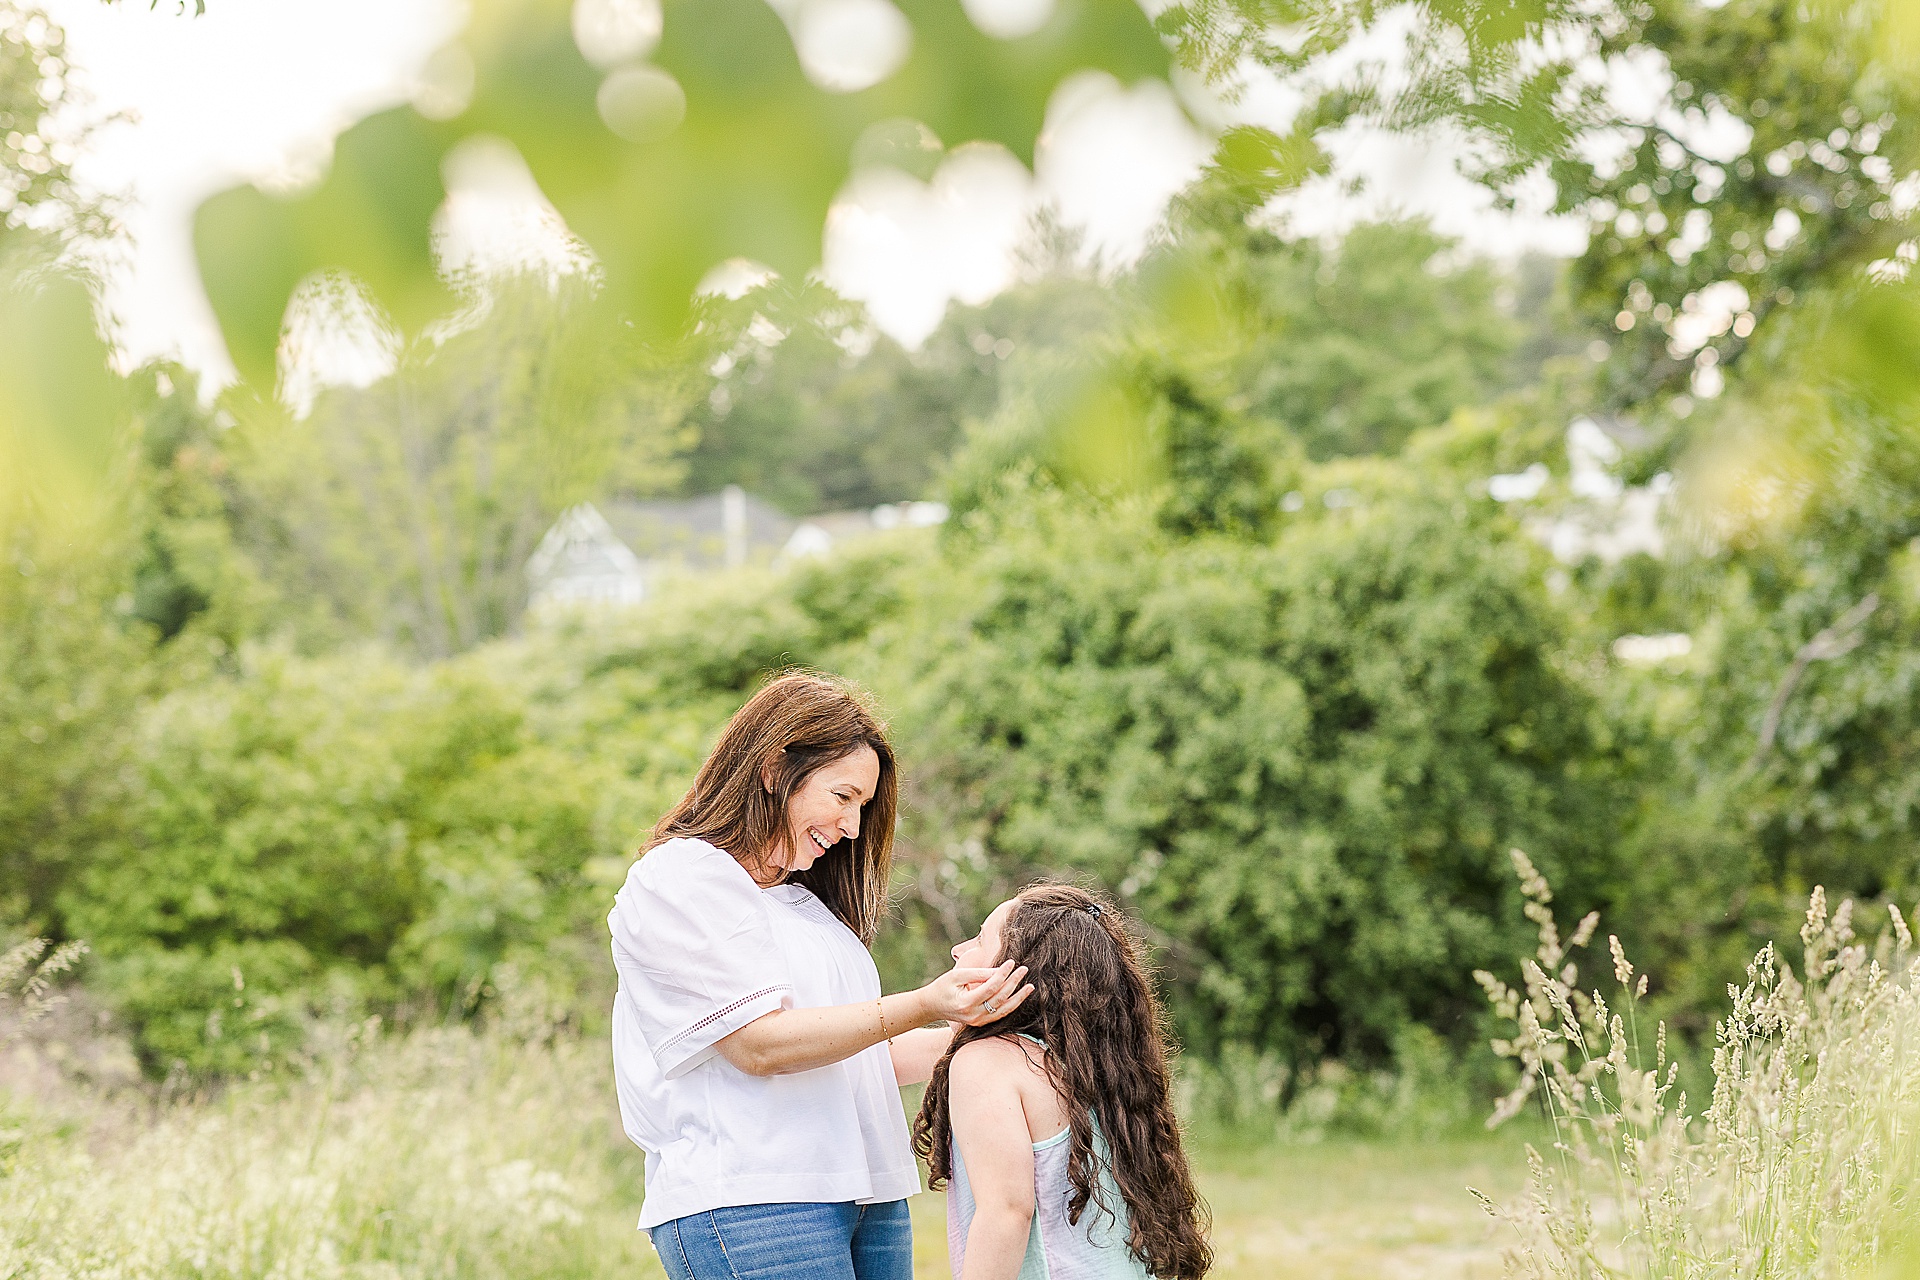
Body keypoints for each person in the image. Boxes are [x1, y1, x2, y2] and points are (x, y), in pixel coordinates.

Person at [609, 672, 1034, 1280]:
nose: (854, 828)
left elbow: (864, 1058)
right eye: (843, 797)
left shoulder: (806, 908)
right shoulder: (683, 877)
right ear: (775, 769)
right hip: (755, 1198)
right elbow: (758, 1045)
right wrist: (924, 1004)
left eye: (862, 806)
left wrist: (1001, 1031)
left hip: (868, 1195)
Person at [914, 884, 1213, 1280]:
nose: (958, 949)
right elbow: (879, 1057)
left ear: (1016, 976)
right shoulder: (1087, 1066)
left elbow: (1006, 1215)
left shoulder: (985, 1063)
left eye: (981, 938)